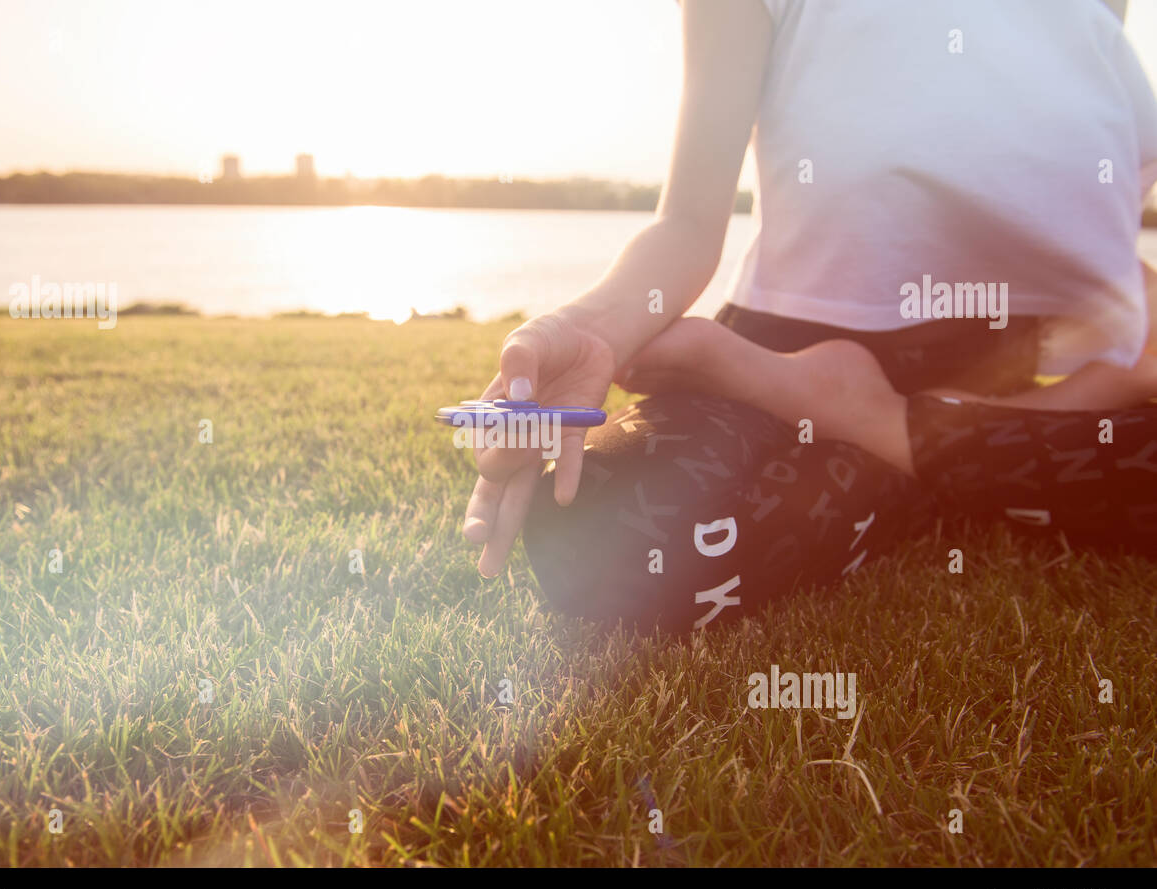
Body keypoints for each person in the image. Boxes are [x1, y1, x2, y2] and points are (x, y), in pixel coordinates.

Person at [461, 0, 1157, 632]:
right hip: (781, 360)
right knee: (602, 532)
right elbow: (688, 223)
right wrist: (590, 331)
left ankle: (877, 426)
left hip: (1014, 369)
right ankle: (981, 454)